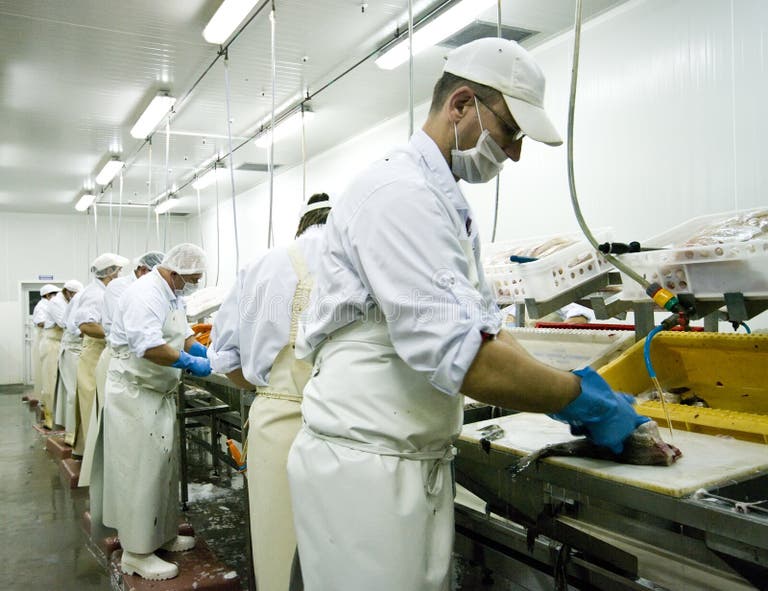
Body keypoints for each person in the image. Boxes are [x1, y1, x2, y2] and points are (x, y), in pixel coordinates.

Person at [287, 38, 649, 591]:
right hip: (366, 470)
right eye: (511, 132)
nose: (516, 152)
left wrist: (566, 392)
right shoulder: (398, 195)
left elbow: (485, 331)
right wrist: (579, 399)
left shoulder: (438, 200)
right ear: (461, 106)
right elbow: (470, 359)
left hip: (400, 460)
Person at [208, 193, 331, 591]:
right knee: (342, 551)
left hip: (278, 425)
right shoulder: (365, 261)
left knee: (279, 541)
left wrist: (268, 388)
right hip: (352, 429)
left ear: (300, 226)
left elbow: (226, 359)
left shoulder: (264, 266)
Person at [103, 243, 211, 581]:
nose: (193, 283)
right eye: (192, 278)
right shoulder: (145, 294)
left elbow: (184, 334)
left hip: (157, 394)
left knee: (162, 468)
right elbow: (149, 346)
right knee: (140, 471)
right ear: (175, 272)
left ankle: (161, 535)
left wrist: (207, 353)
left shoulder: (171, 293)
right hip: (134, 395)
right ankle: (136, 551)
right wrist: (188, 362)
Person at [79, 251, 164, 489]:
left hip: (133, 360)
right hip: (118, 359)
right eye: (114, 269)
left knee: (130, 432)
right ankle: (115, 482)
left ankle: (134, 481)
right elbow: (133, 329)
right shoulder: (118, 288)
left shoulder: (147, 287)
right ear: (143, 270)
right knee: (114, 425)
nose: (118, 273)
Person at [70, 253, 128, 457]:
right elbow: (86, 325)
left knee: (94, 401)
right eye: (118, 271)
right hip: (94, 352)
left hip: (99, 350)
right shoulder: (95, 293)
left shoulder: (105, 291)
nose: (121, 274)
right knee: (92, 401)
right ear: (110, 273)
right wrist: (115, 334)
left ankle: (85, 450)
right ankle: (93, 454)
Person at [40, 279, 82, 429]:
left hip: (59, 343)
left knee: (60, 383)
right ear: (67, 292)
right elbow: (65, 323)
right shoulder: (56, 302)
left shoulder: (66, 302)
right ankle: (49, 418)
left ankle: (60, 419)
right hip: (51, 343)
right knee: (50, 380)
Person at [56, 279, 86, 446]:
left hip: (77, 348)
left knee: (76, 392)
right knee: (74, 393)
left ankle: (76, 433)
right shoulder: (82, 298)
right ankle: (72, 435)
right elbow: (73, 326)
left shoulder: (82, 297)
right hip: (73, 349)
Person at [31, 284, 59, 400]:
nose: (57, 297)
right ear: (47, 295)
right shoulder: (41, 306)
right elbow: (40, 322)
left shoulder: (50, 305)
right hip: (44, 341)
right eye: (55, 294)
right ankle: (45, 402)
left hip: (49, 341)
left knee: (50, 374)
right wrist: (55, 323)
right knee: (46, 374)